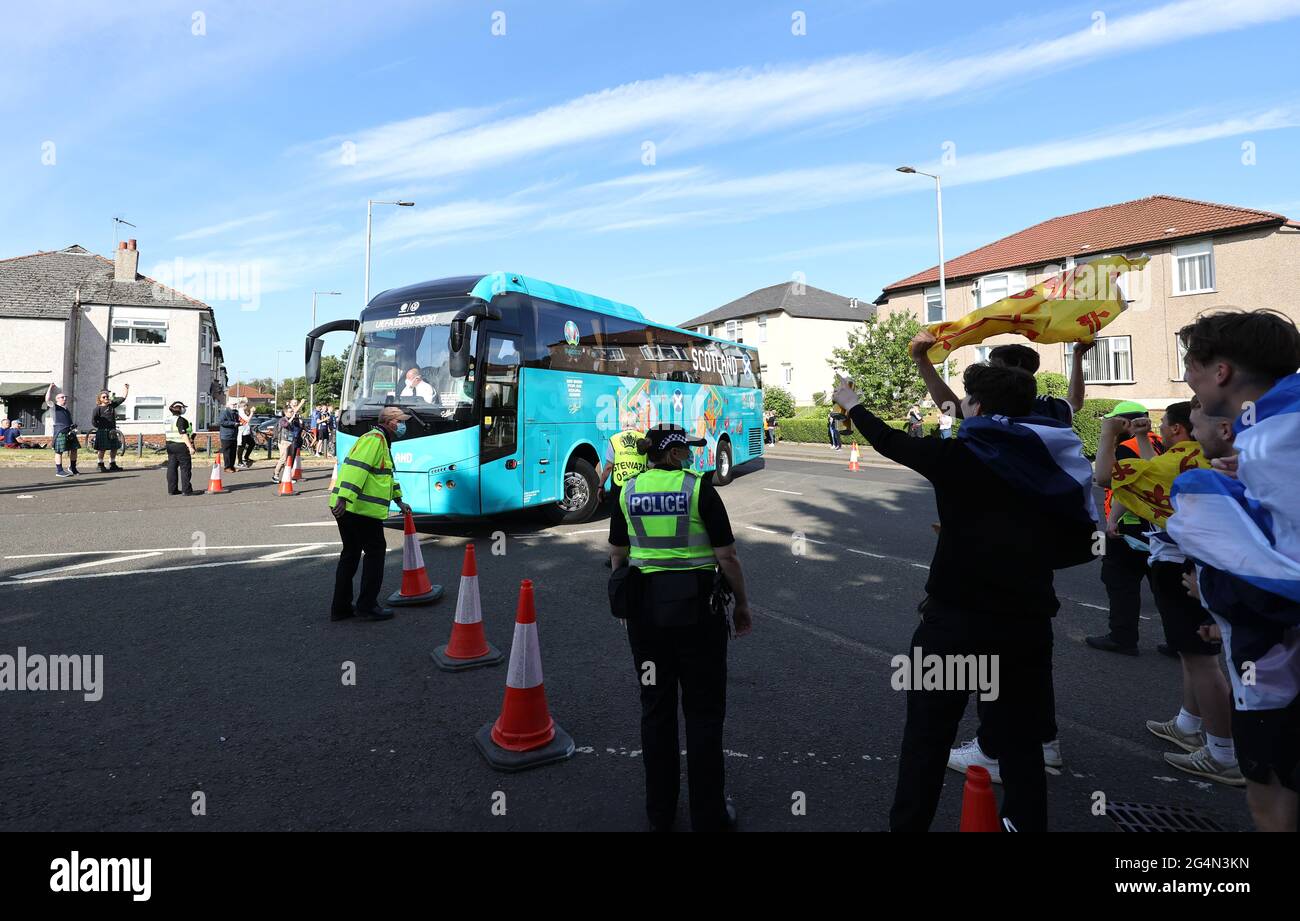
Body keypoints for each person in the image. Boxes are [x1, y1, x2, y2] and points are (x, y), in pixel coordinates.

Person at [835, 364, 1096, 832]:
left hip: (955, 624)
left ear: (976, 406)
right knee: (1021, 742)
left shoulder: (959, 456)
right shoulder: (1050, 458)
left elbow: (891, 441)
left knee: (928, 739)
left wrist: (853, 404)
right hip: (1025, 624)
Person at [1168, 308, 1300, 831]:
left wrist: (1215, 585)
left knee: (1272, 801)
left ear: (1220, 372)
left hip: (1276, 660)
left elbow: (1286, 570)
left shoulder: (1272, 442)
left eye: (1191, 367)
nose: (1188, 381)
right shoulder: (1273, 431)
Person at [608, 424, 752, 832]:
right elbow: (728, 557)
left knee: (656, 710)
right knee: (704, 713)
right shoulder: (699, 489)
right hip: (698, 615)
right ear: (672, 454)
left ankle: (661, 812)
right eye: (685, 450)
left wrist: (625, 606)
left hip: (646, 618)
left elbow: (618, 555)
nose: (690, 456)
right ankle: (709, 816)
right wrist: (742, 605)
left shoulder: (628, 490)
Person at [1095, 399, 1241, 785]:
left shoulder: (1188, 459)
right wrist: (1143, 438)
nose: (1159, 429)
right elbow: (1154, 474)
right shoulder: (1189, 458)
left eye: (1168, 423)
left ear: (1182, 429)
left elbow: (1107, 476)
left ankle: (1223, 753)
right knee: (1193, 654)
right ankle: (1189, 724)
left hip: (1183, 564)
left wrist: (1108, 433)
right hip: (1190, 559)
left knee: (1201, 659)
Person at [1085, 401, 1166, 656]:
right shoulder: (1161, 442)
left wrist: (1113, 521)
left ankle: (1122, 637)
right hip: (1160, 527)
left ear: (1125, 423)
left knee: (1120, 583)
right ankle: (1179, 638)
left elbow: (1122, 484)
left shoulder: (1126, 447)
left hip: (1128, 527)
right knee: (1163, 583)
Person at [329, 406, 413, 622]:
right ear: (390, 422)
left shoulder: (380, 440)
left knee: (351, 554)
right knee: (375, 553)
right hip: (358, 509)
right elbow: (357, 468)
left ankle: (341, 608)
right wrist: (344, 498)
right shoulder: (375, 439)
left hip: (351, 508)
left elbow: (384, 476)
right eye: (400, 421)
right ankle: (367, 606)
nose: (403, 425)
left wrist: (398, 500)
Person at [910, 332, 1091, 423]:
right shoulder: (1047, 406)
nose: (989, 371)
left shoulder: (991, 406)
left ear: (1017, 365)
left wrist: (922, 360)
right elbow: (1075, 401)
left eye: (995, 366)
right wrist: (1076, 356)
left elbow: (952, 409)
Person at [597, 414, 647, 508]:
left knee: (618, 518)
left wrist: (601, 486)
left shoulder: (614, 439)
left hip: (619, 486)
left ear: (622, 425)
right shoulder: (644, 438)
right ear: (635, 424)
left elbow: (608, 467)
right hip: (640, 485)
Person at [43, 384, 80, 478]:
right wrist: (50, 388)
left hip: (70, 431)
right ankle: (59, 470)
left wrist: (73, 427)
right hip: (60, 431)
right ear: (57, 399)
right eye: (62, 397)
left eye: (65, 397)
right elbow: (47, 399)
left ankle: (72, 467)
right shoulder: (54, 407)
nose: (64, 398)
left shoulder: (66, 409)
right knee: (59, 451)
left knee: (74, 449)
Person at [164, 400, 199, 496]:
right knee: (185, 468)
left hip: (170, 445)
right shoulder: (180, 420)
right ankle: (186, 490)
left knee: (172, 467)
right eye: (184, 408)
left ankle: (172, 489)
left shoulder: (167, 419)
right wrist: (190, 447)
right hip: (180, 446)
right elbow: (183, 434)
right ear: (180, 409)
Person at [91, 384, 128, 471]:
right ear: (100, 399)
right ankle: (100, 464)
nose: (106, 398)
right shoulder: (97, 409)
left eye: (107, 396)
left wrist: (126, 389)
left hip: (112, 431)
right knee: (102, 449)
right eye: (104, 397)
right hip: (102, 431)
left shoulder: (111, 406)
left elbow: (123, 398)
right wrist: (100, 427)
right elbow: (93, 421)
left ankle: (112, 464)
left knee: (114, 448)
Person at [272, 400, 303, 483]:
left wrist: (298, 418)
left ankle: (288, 476)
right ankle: (275, 475)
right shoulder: (282, 420)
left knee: (289, 460)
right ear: (285, 413)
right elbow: (285, 425)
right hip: (283, 441)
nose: (291, 413)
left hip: (291, 441)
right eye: (290, 412)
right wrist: (292, 418)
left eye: (292, 412)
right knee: (283, 458)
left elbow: (300, 426)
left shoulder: (293, 420)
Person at [218, 399, 241, 473]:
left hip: (234, 435)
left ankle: (232, 466)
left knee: (233, 452)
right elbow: (222, 422)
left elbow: (237, 421)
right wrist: (233, 423)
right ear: (228, 405)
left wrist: (239, 423)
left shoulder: (236, 412)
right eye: (233, 404)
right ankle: (227, 467)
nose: (234, 405)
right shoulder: (224, 412)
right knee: (227, 452)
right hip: (226, 435)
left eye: (235, 404)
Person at [236, 400, 255, 469]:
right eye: (246, 406)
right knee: (241, 447)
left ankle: (246, 457)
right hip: (242, 432)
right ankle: (239, 462)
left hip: (246, 432)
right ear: (243, 406)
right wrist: (252, 413)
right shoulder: (240, 411)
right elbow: (247, 419)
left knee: (252, 443)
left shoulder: (244, 411)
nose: (247, 407)